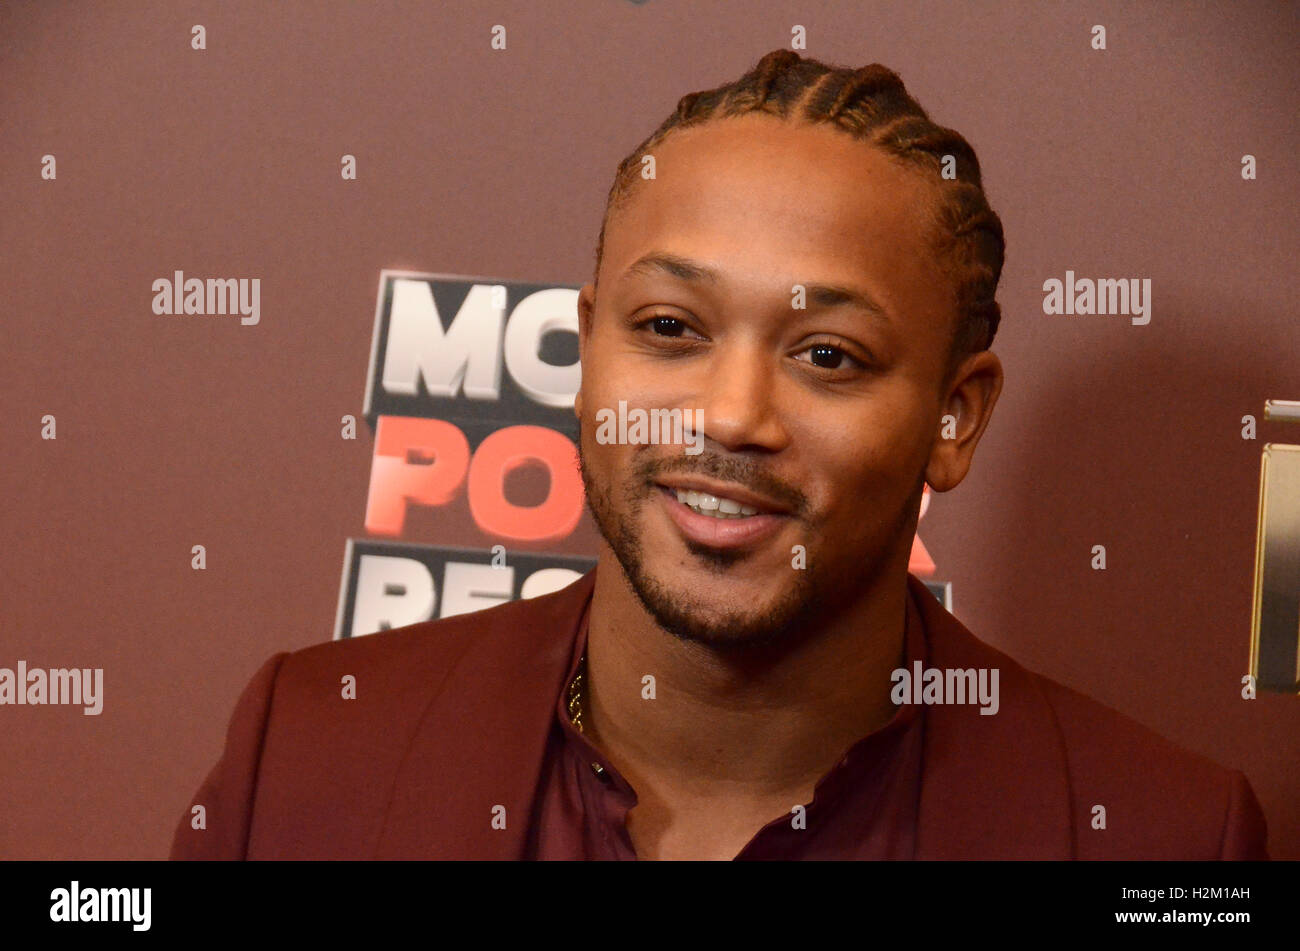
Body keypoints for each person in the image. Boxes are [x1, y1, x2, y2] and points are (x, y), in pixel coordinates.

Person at [170, 49, 1268, 860]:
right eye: (668, 330)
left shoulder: (1163, 843)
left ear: (955, 419)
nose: (730, 415)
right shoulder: (309, 759)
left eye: (829, 354)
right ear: (587, 349)